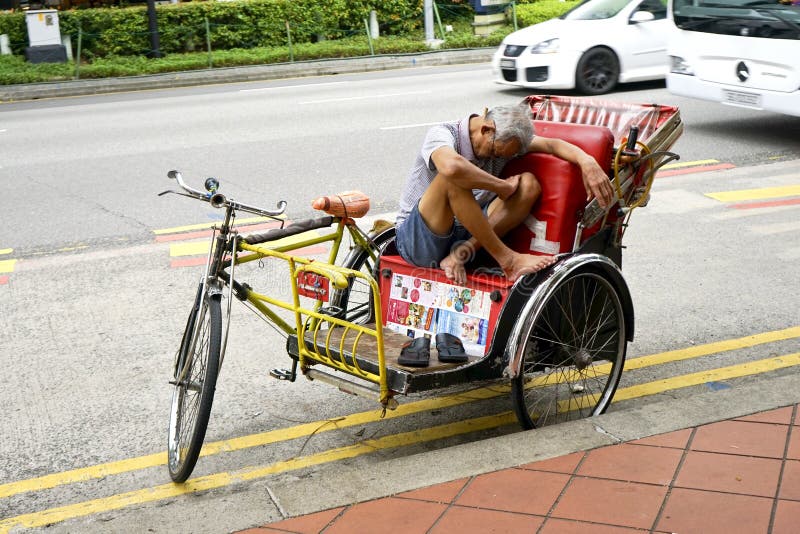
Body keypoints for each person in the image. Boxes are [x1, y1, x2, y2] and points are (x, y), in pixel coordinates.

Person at [395, 103, 614, 285]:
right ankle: (508, 260)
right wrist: (500, 186)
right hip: (419, 238)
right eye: (494, 152)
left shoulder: (507, 141)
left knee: (528, 184)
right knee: (452, 178)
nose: (495, 158)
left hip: (465, 233)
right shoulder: (442, 133)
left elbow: (551, 144)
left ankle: (460, 254)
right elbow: (452, 168)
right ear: (486, 129)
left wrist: (587, 161)